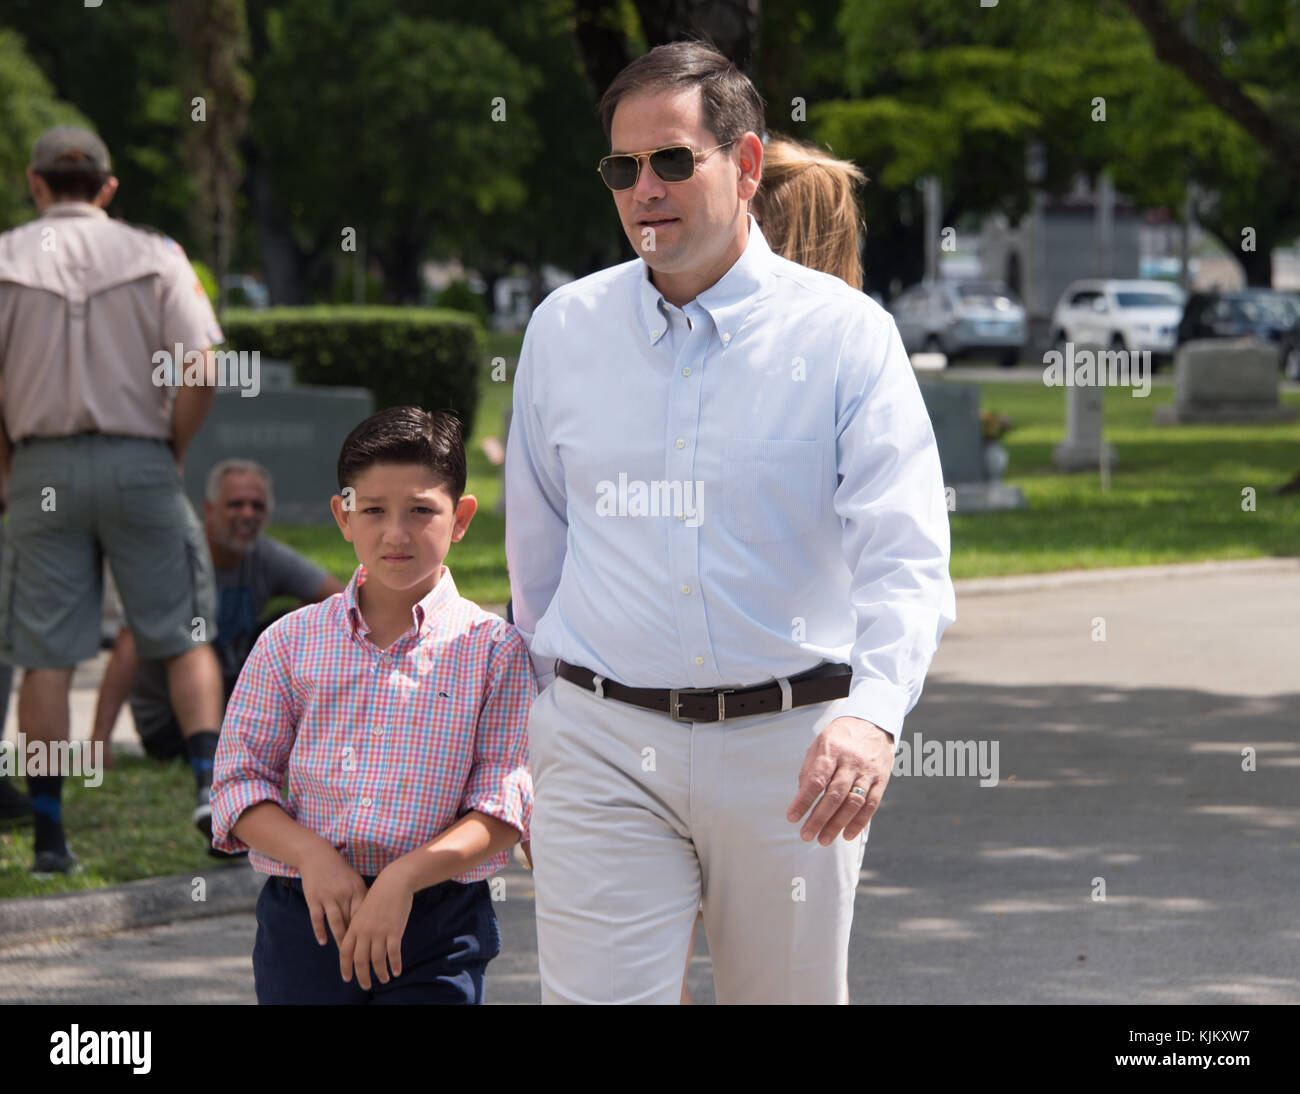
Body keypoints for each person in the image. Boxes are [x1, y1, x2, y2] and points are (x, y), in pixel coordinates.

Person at [505, 41, 955, 1004]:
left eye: (673, 160)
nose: (643, 189)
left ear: (745, 166)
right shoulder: (563, 330)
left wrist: (874, 719)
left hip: (790, 756)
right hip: (600, 745)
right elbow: (536, 560)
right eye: (621, 168)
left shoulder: (843, 335)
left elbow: (905, 554)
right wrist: (532, 727)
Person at [210, 407, 534, 1004]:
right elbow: (238, 782)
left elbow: (503, 807)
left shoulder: (494, 651)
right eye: (374, 510)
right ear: (343, 515)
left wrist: (404, 879)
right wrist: (312, 856)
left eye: (421, 511)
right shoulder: (289, 641)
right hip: (305, 913)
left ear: (460, 518)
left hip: (438, 917)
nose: (395, 533)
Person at [0, 126, 227, 876]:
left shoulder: (5, 257)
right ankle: (208, 791)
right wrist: (173, 449)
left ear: (35, 184)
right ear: (107, 187)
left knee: (46, 651)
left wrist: (10, 467)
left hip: (41, 466)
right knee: (184, 630)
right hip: (139, 456)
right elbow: (202, 363)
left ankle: (50, 835)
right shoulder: (155, 254)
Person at [90, 459, 344, 774]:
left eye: (257, 506)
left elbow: (344, 601)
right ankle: (207, 762)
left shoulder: (265, 555)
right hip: (171, 724)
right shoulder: (174, 562)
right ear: (209, 510)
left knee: (303, 620)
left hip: (233, 701)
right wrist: (99, 740)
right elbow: (127, 646)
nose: (247, 514)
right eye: (235, 504)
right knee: (192, 646)